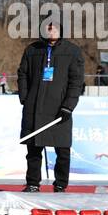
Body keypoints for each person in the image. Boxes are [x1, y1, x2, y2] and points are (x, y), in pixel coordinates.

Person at [16, 16, 83, 193]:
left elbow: (76, 81)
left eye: (55, 26)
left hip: (59, 108)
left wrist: (68, 105)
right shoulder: (32, 49)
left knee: (62, 150)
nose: (51, 29)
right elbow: (22, 74)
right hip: (35, 105)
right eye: (48, 26)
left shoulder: (73, 51)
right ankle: (32, 183)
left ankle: (60, 184)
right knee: (33, 148)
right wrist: (24, 97)